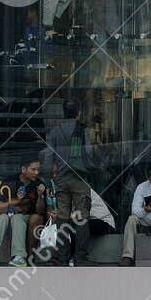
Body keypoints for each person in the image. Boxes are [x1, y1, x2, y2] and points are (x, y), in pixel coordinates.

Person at [42, 100, 93, 265]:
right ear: (78, 112)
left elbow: (49, 156)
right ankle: (80, 257)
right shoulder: (82, 129)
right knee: (81, 216)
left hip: (61, 180)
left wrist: (48, 178)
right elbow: (89, 152)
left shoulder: (55, 131)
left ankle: (63, 257)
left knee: (62, 217)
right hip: (79, 178)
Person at [0, 157, 46, 267]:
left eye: (38, 170)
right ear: (23, 169)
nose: (36, 173)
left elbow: (40, 211)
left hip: (25, 216)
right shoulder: (10, 181)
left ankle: (19, 257)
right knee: (2, 218)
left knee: (17, 218)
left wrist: (40, 196)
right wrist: (16, 202)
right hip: (7, 214)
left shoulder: (39, 184)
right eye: (33, 169)